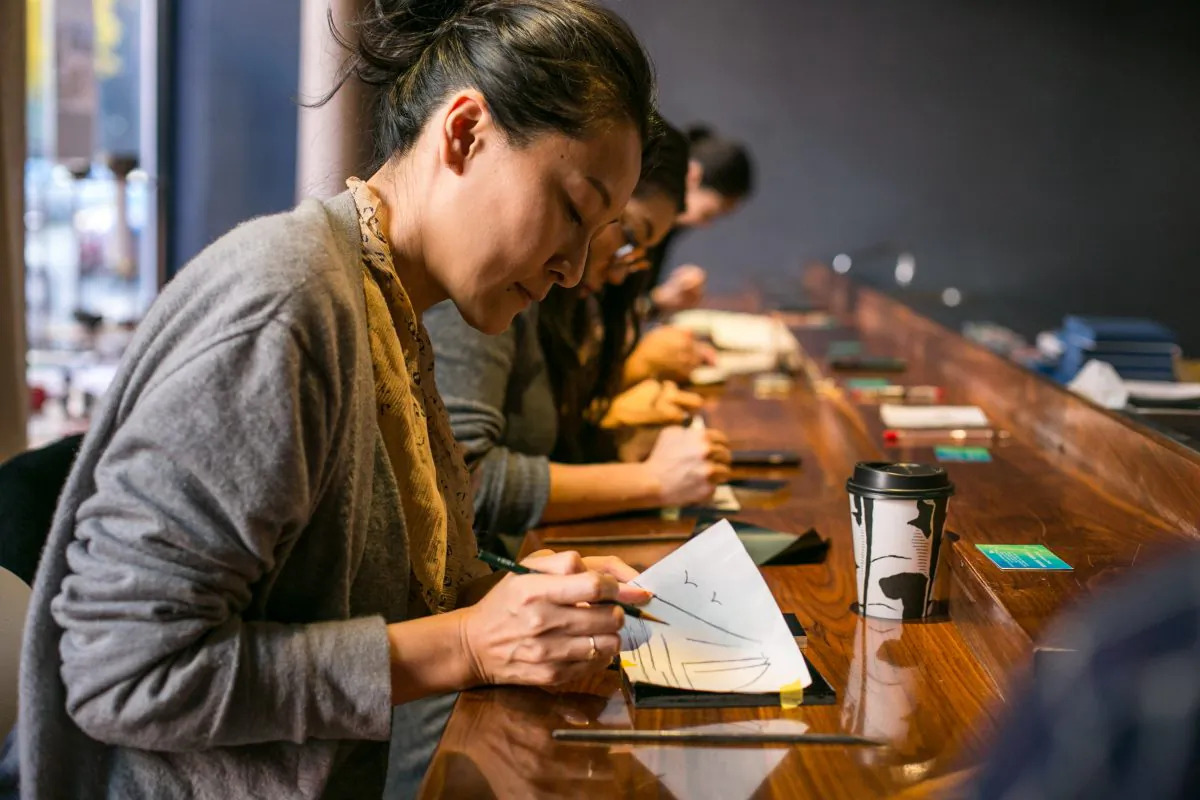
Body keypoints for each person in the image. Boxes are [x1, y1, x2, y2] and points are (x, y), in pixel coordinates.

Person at [5, 2, 659, 797]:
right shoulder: (286, 309)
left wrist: (518, 598)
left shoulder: (388, 307)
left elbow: (357, 592)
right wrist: (469, 643)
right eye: (573, 211)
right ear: (464, 134)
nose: (575, 268)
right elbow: (123, 674)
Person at [426, 121, 731, 544]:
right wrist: (653, 480)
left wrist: (613, 440)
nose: (621, 272)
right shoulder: (492, 285)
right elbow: (460, 478)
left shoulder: (554, 303)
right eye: (628, 235)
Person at [646, 124, 755, 316]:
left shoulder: (671, 227)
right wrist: (656, 301)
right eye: (708, 214)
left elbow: (633, 309)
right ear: (693, 175)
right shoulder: (641, 215)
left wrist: (660, 302)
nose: (705, 225)